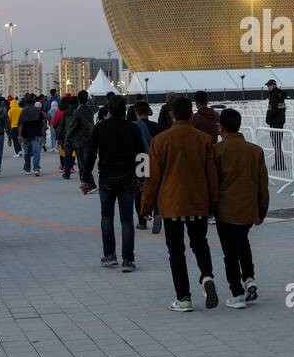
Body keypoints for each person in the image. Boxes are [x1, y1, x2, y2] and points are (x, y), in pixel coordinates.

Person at [141, 97, 219, 311]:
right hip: (197, 202)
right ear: (190, 113)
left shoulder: (160, 141)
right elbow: (212, 175)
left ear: (171, 114)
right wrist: (214, 201)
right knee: (199, 242)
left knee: (176, 250)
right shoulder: (204, 140)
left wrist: (146, 206)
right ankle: (206, 276)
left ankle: (183, 298)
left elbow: (152, 177)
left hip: (171, 204)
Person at [213, 108, 268, 308]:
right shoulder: (255, 150)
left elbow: (213, 183)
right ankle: (249, 278)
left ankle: (236, 293)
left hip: (226, 210)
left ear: (223, 127)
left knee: (229, 251)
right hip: (248, 209)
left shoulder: (217, 151)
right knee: (243, 243)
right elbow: (263, 182)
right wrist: (262, 208)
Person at [81, 95, 142, 272]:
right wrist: (143, 178)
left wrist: (85, 179)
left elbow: (90, 155)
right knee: (127, 220)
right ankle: (128, 260)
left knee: (107, 217)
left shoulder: (100, 128)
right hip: (127, 178)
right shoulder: (132, 128)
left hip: (106, 177)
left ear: (108, 110)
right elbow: (141, 154)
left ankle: (110, 256)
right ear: (124, 111)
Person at [132, 101, 165, 232]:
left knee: (140, 192)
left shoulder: (133, 127)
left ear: (136, 113)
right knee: (157, 189)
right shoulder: (159, 128)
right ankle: (157, 212)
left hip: (140, 162)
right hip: (156, 162)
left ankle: (142, 221)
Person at [61, 90, 96, 180]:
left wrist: (66, 138)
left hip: (76, 138)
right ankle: (83, 177)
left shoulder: (73, 112)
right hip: (87, 138)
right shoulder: (89, 110)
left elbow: (71, 126)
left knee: (69, 157)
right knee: (83, 160)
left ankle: (69, 174)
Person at [18, 95, 46, 176]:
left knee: (27, 152)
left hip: (26, 134)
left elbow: (20, 124)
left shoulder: (23, 111)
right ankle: (36, 169)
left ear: (26, 102)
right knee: (36, 152)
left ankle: (27, 168)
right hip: (37, 133)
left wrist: (19, 135)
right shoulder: (38, 110)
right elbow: (44, 120)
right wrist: (43, 128)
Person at [264, 79, 287, 170]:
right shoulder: (279, 95)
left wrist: (268, 120)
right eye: (268, 86)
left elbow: (273, 110)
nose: (268, 87)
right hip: (279, 123)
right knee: (277, 144)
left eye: (269, 86)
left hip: (275, 124)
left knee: (276, 144)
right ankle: (279, 163)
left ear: (274, 86)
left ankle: (280, 164)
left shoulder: (274, 96)